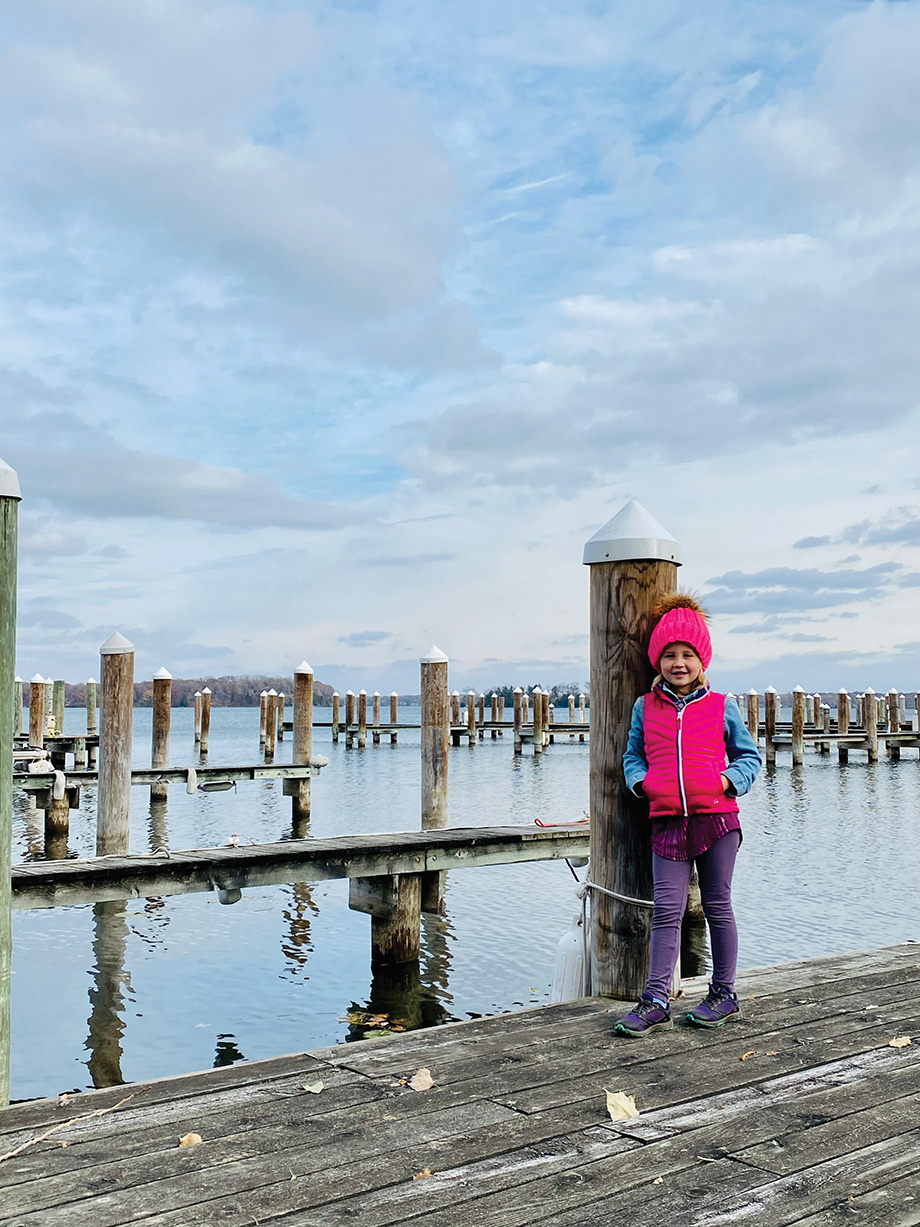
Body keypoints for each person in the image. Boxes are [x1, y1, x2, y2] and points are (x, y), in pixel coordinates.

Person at [613, 593, 761, 1038]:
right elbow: (632, 757)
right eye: (670, 655)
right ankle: (656, 999)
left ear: (702, 659)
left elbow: (750, 758)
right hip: (667, 823)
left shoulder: (721, 706)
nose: (679, 663)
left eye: (688, 655)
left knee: (717, 904)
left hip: (716, 821)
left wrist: (723, 782)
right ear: (657, 660)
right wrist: (642, 784)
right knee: (666, 911)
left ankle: (724, 993)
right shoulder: (646, 706)